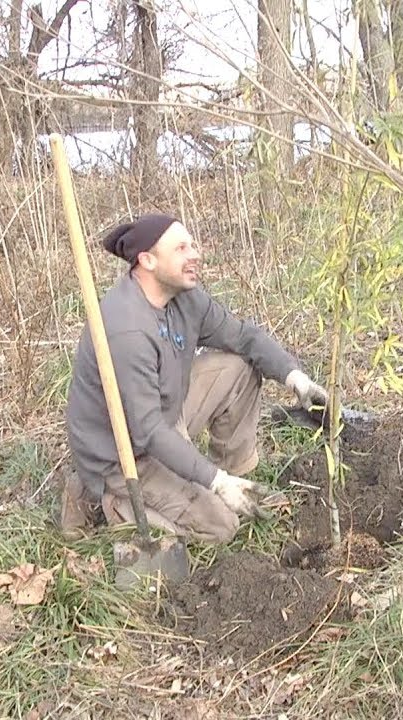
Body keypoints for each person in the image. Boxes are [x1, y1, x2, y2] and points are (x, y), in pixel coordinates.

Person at [59, 212, 329, 543]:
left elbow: (243, 337)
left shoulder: (185, 299)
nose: (195, 255)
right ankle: (109, 500)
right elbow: (147, 431)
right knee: (221, 527)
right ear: (148, 260)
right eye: (181, 248)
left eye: (193, 245)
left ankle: (236, 479)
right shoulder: (126, 329)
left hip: (165, 414)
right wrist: (214, 482)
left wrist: (296, 378)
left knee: (238, 368)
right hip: (123, 451)